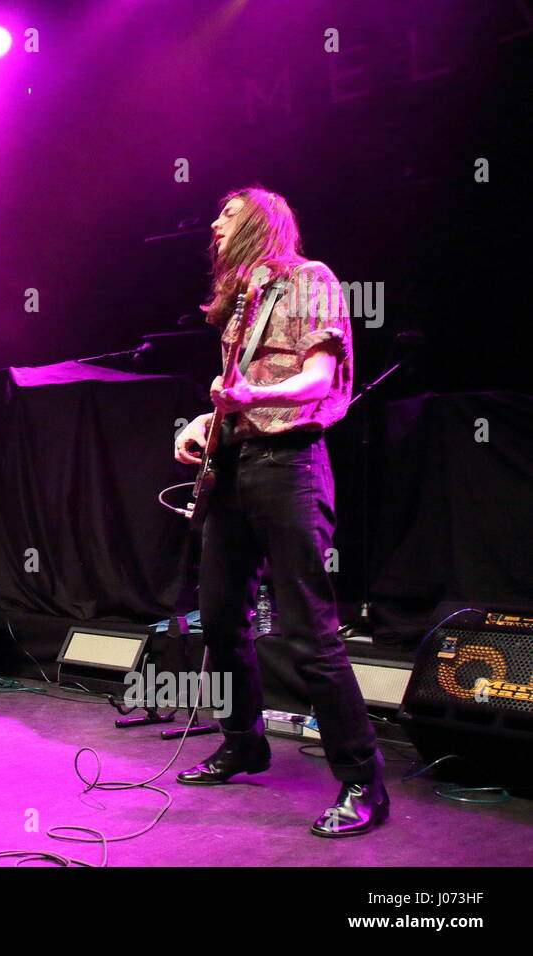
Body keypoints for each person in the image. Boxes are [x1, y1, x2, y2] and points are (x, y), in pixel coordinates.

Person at [173, 186, 387, 837]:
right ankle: (245, 742)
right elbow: (246, 396)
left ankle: (363, 782)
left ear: (260, 224)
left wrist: (242, 396)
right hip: (236, 466)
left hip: (291, 465)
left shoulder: (308, 279)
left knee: (308, 629)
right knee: (217, 620)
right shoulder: (243, 304)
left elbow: (318, 380)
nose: (214, 223)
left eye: (227, 214)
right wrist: (207, 420)